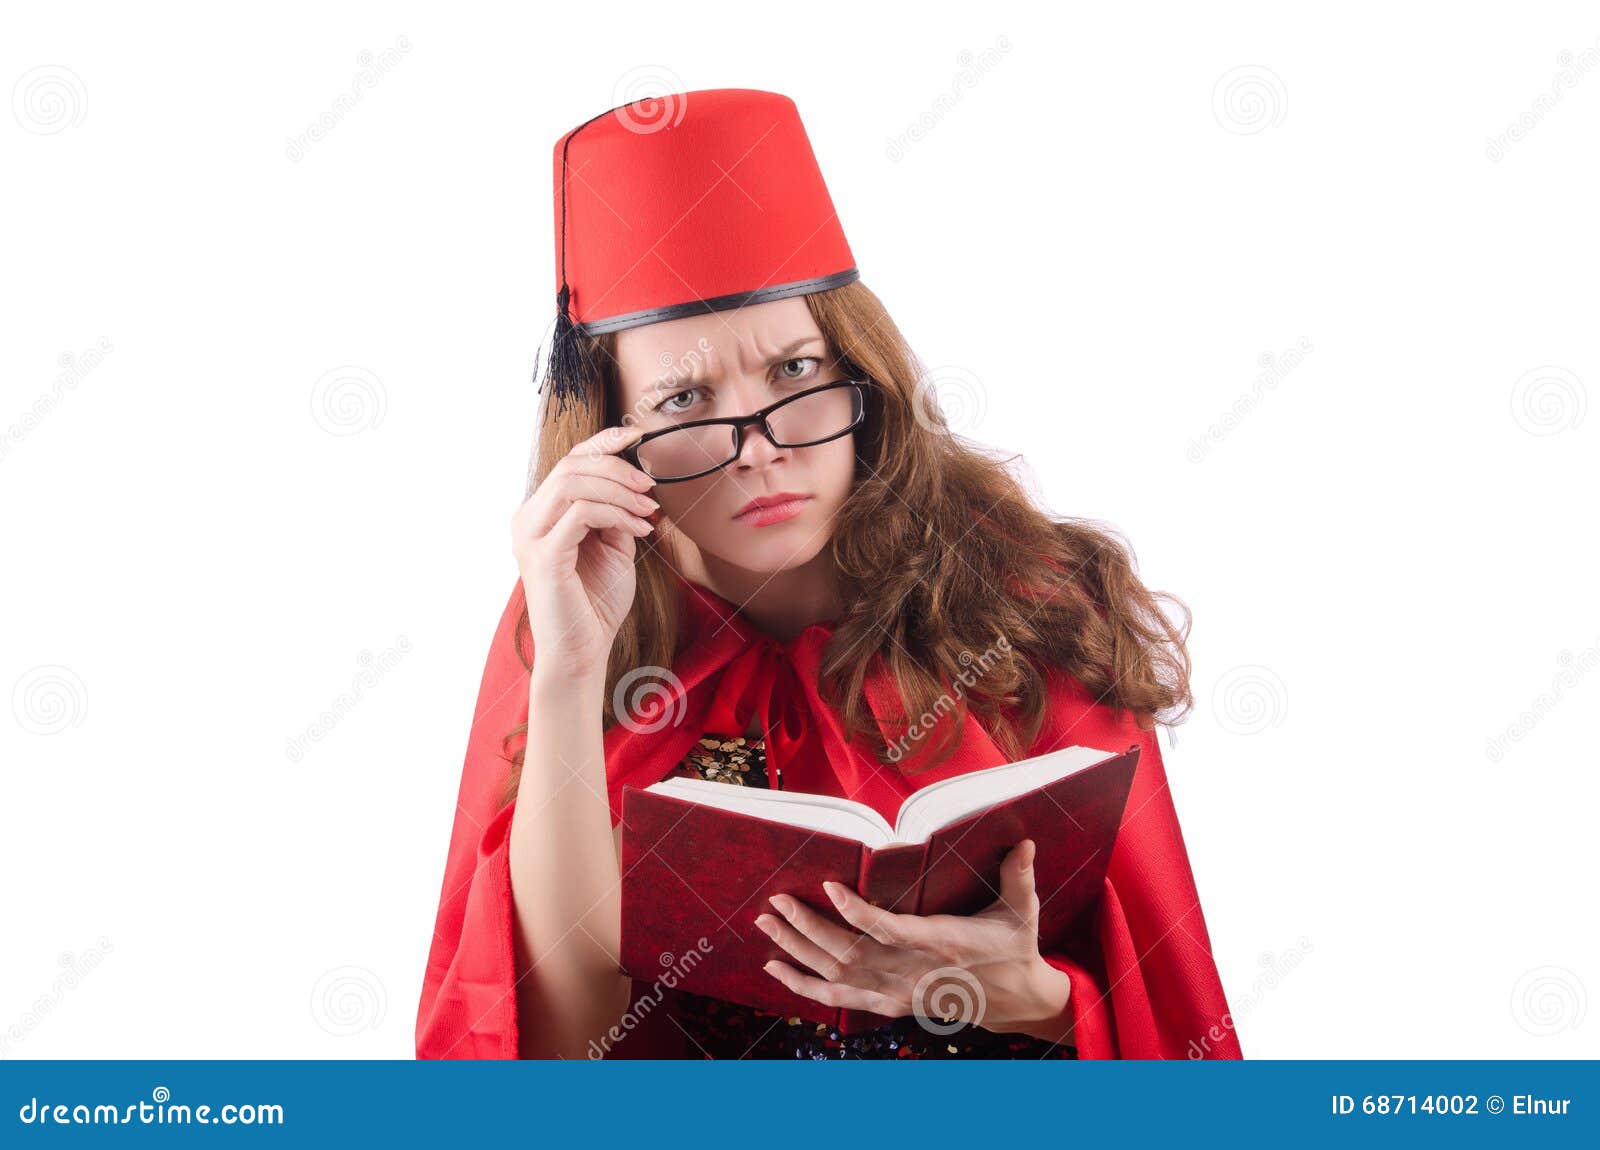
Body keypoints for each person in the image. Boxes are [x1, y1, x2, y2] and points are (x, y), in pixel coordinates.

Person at [416, 88, 1242, 1060]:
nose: (762, 448)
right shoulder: (567, 616)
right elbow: (551, 1052)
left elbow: (1168, 1010)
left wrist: (1035, 998)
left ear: (862, 372)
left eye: (797, 374)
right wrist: (566, 669)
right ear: (610, 438)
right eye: (686, 396)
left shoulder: (1037, 595)